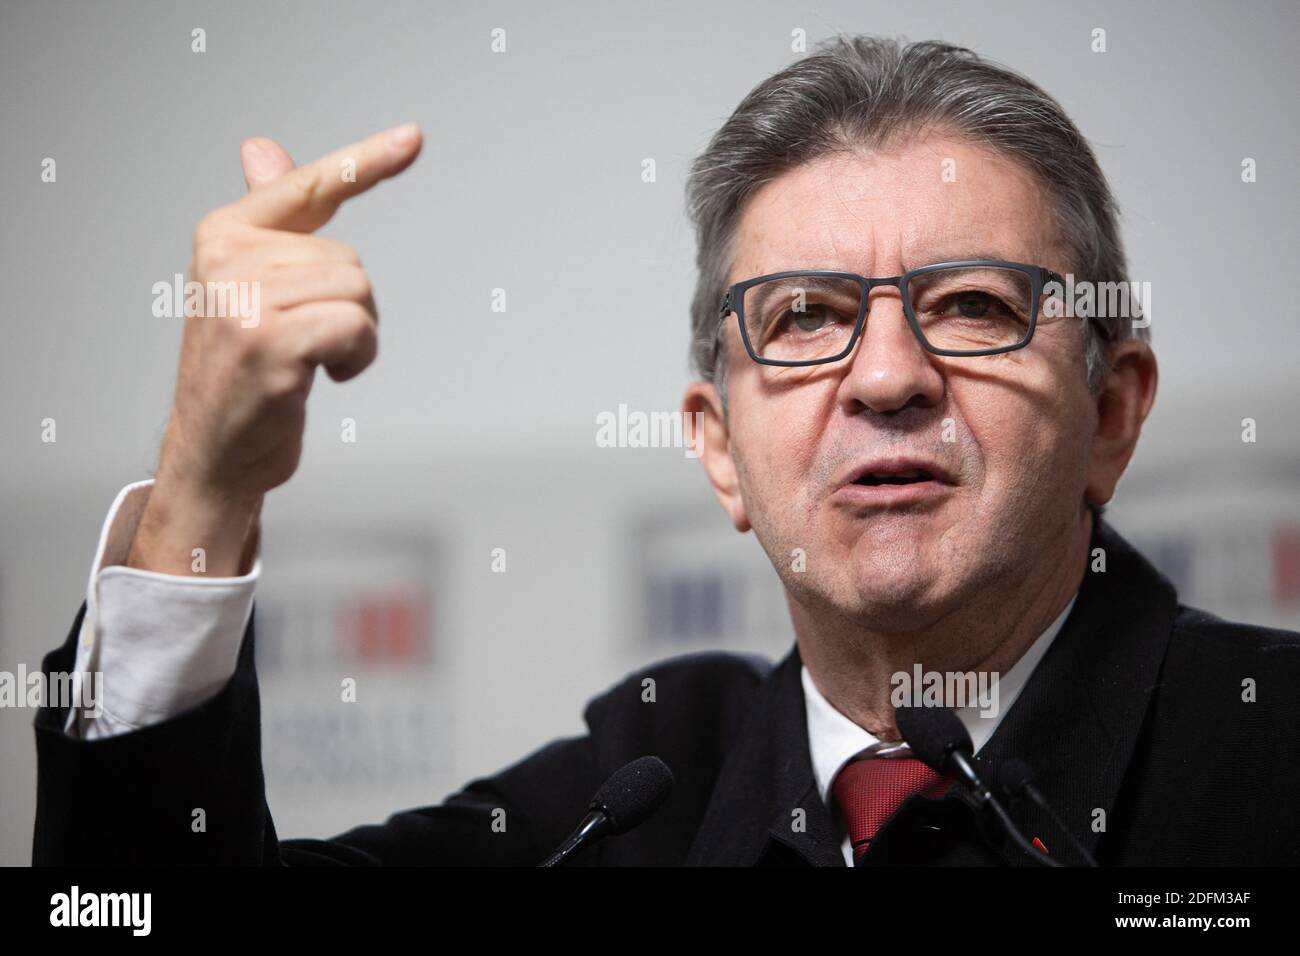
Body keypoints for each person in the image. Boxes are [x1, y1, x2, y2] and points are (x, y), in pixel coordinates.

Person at [32, 35, 1300, 866]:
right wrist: (203, 488)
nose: (887, 376)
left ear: (1114, 410)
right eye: (803, 317)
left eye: (972, 305)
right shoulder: (629, 798)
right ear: (720, 452)